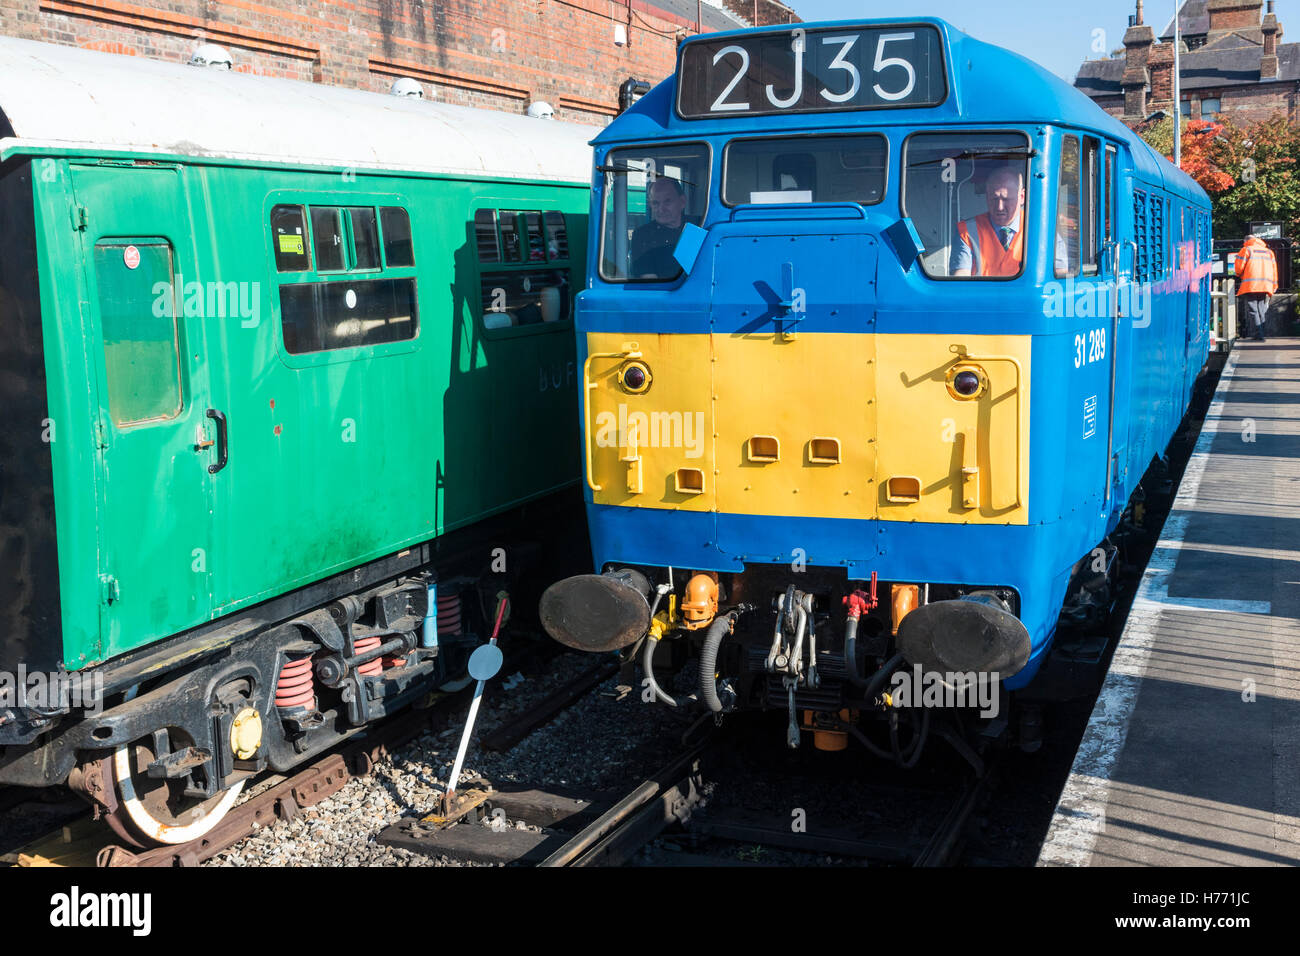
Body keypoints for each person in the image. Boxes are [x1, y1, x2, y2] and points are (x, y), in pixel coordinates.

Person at [951, 165, 1028, 278]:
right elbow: (960, 278)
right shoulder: (967, 231)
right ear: (986, 196)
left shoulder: (1039, 229)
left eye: (1006, 199)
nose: (1000, 207)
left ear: (1021, 197)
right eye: (994, 199)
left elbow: (1060, 271)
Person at [631, 177, 691, 278]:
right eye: (655, 203)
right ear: (650, 204)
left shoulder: (700, 225)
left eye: (667, 201)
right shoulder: (642, 235)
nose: (661, 209)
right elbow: (650, 282)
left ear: (682, 201)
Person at [1233, 234, 1278, 342]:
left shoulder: (1246, 250)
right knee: (1261, 309)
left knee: (1253, 311)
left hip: (1251, 285)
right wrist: (1274, 285)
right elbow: (1274, 270)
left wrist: (1239, 274)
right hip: (1265, 285)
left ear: (1246, 241)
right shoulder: (1269, 252)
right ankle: (1261, 333)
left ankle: (1259, 334)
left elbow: (1239, 268)